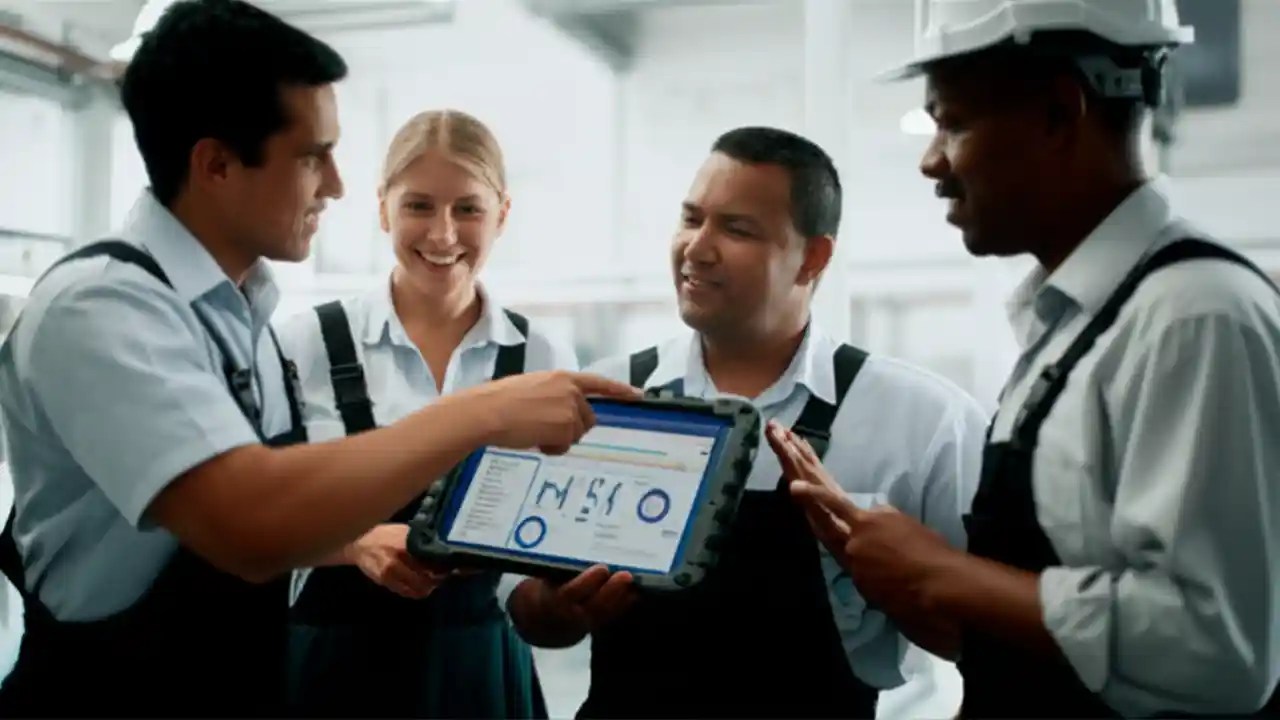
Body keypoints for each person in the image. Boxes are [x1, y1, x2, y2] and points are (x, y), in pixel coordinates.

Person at [0, 2, 635, 717]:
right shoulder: (102, 310)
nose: (333, 184)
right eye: (312, 156)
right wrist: (481, 412)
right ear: (216, 164)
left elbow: (278, 529)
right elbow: (248, 525)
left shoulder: (243, 320)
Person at [770, 1, 1280, 717]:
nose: (931, 161)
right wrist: (888, 569)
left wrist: (943, 570)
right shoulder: (1071, 327)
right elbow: (1043, 641)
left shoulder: (1193, 317)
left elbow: (1217, 648)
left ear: (1058, 112)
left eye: (952, 122)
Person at [507, 126, 988, 719]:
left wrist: (882, 571)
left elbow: (986, 644)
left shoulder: (924, 420)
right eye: (691, 218)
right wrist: (556, 611)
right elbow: (528, 611)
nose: (697, 248)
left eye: (736, 229)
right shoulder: (602, 399)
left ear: (814, 258)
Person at [278, 109, 567, 719]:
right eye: (418, 206)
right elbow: (253, 518)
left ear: (502, 215)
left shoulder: (541, 357)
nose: (443, 234)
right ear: (382, 207)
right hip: (332, 673)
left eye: (468, 208)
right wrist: (355, 542)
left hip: (481, 670)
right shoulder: (303, 344)